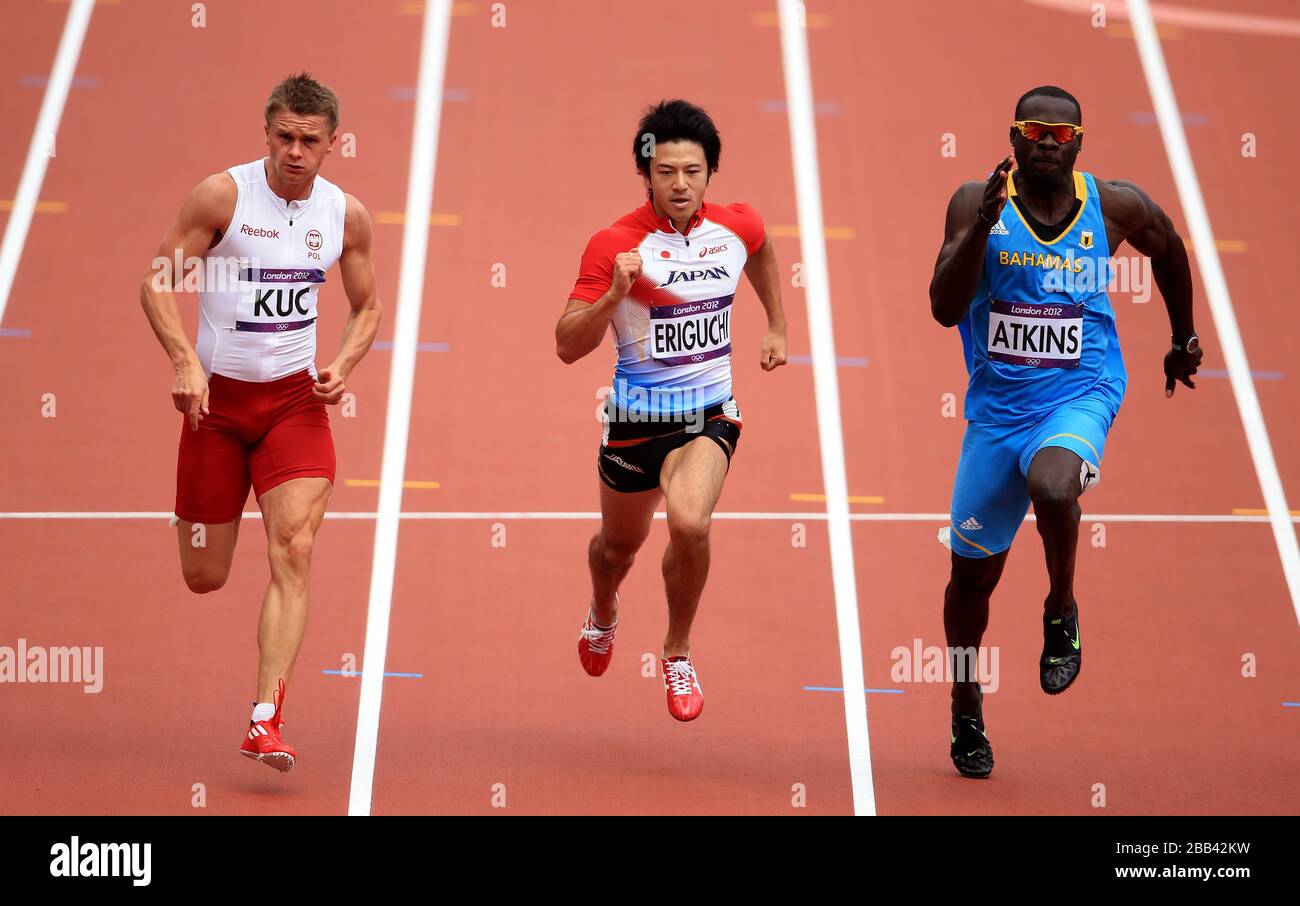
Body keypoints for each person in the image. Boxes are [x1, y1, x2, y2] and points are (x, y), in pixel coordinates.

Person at [928, 85, 1203, 777]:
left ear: (1079, 143)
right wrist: (979, 231)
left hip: (1081, 392)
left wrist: (1184, 336)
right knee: (970, 588)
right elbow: (942, 307)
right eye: (1034, 130)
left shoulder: (1112, 204)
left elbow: (1167, 248)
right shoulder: (974, 201)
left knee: (1053, 487)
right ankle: (965, 706)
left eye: (1061, 132)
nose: (1047, 141)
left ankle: (1061, 609)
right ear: (1013, 138)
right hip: (998, 412)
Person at [139, 73, 382, 772]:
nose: (296, 152)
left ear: (333, 143)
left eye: (310, 141)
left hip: (293, 407)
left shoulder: (345, 216)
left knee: (295, 552)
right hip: (217, 410)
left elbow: (368, 306)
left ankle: (265, 716)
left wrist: (344, 363)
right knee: (204, 574)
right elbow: (157, 279)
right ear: (267, 133)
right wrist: (185, 362)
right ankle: (203, 512)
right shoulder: (224, 196)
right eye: (285, 137)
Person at [556, 99, 788, 721]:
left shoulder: (736, 226)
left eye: (692, 171)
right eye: (665, 172)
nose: (679, 184)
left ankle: (677, 652)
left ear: (711, 173)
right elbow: (566, 346)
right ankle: (604, 610)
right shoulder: (614, 244)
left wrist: (777, 326)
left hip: (708, 415)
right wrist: (613, 296)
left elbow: (762, 250)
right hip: (634, 424)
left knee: (690, 524)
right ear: (646, 174)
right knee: (616, 550)